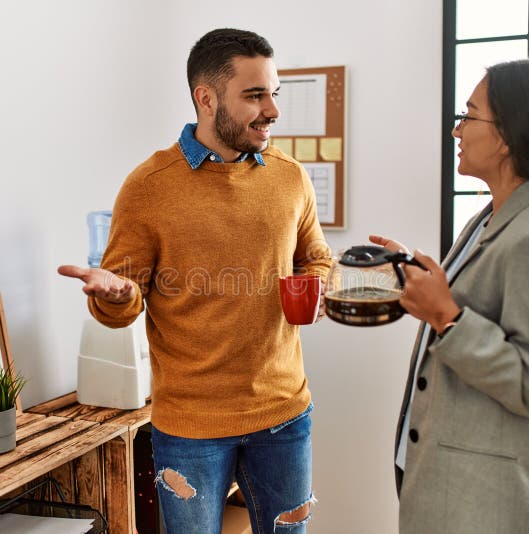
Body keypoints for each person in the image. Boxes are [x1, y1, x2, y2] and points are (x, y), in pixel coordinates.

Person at [58, 28, 331, 533]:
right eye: (254, 95)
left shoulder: (290, 176)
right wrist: (117, 295)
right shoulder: (149, 187)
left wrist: (315, 288)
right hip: (190, 428)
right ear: (206, 99)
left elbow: (316, 258)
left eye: (274, 93)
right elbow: (119, 302)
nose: (272, 109)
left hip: (285, 415)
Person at [371, 59, 529, 533]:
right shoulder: (491, 217)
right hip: (447, 484)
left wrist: (447, 318)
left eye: (469, 116)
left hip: (487, 503)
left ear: (509, 135)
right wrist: (421, 278)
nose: (457, 131)